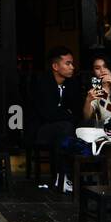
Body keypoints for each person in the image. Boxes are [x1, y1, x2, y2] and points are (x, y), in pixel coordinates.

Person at [25, 46, 84, 191]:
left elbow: (77, 111)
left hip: (61, 129)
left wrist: (68, 114)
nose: (72, 67)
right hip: (39, 130)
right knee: (65, 127)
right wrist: (68, 115)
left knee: (75, 128)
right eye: (68, 63)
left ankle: (64, 177)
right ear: (55, 66)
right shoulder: (41, 82)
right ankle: (63, 177)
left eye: (72, 63)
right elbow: (48, 114)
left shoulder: (72, 83)